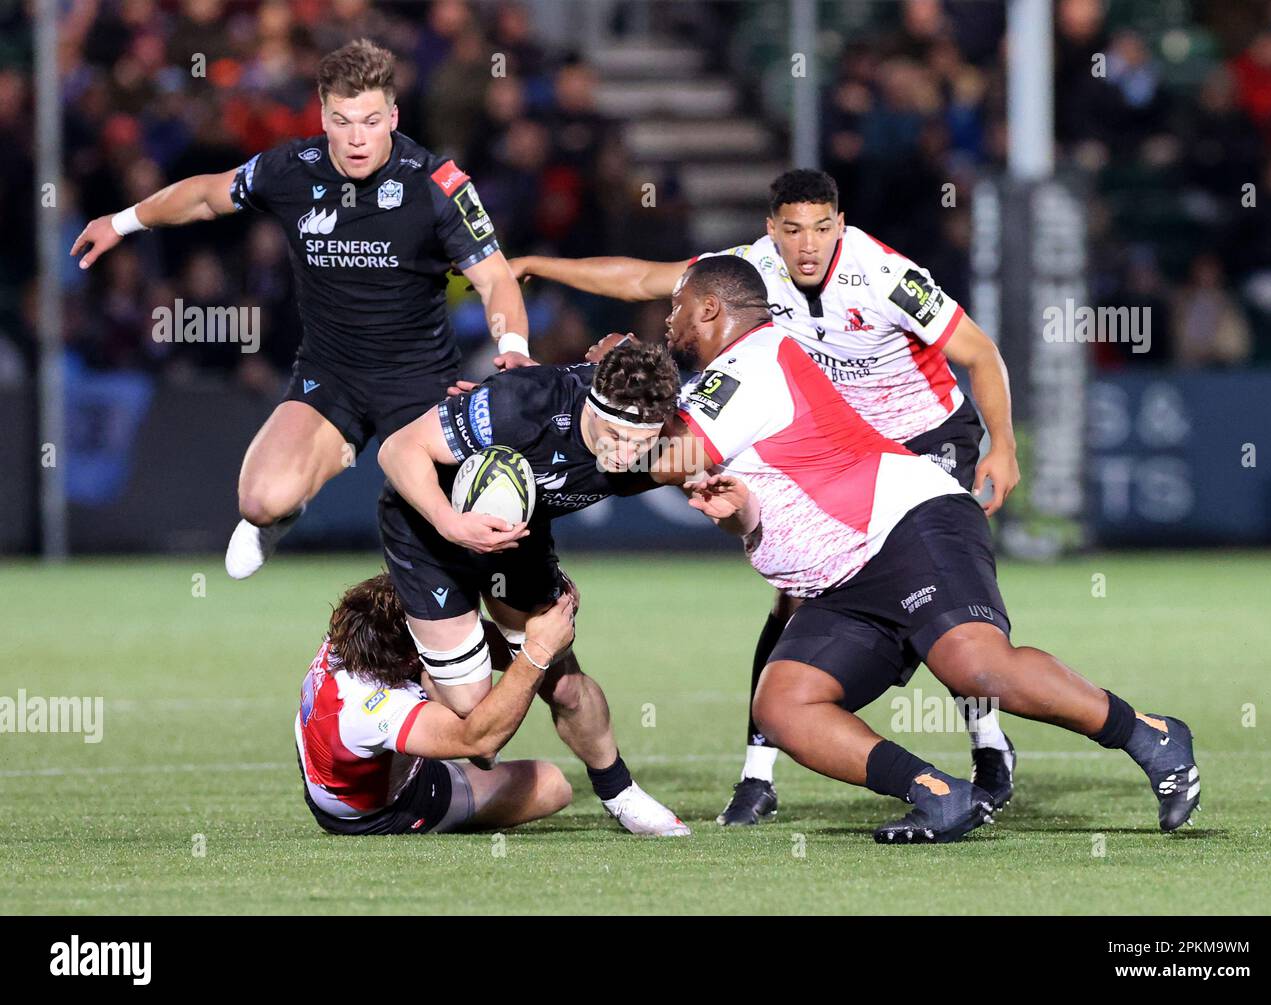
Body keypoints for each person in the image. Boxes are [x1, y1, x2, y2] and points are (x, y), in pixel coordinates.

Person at [512, 169, 1019, 826]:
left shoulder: (886, 273)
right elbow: (642, 278)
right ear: (770, 230)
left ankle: (987, 746)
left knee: (946, 605)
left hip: (924, 431)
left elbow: (979, 352)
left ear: (840, 223)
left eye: (821, 227)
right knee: (793, 597)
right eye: (791, 229)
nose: (807, 245)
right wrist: (537, 264)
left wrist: (1003, 444)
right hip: (838, 441)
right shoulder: (747, 271)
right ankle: (759, 775)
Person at [648, 255, 1200, 842]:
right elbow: (749, 498)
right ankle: (939, 796)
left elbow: (667, 460)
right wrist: (739, 513)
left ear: (709, 308)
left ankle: (1149, 733)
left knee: (979, 667)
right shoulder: (732, 377)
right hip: (843, 577)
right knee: (784, 705)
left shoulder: (749, 362)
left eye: (676, 305)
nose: (667, 320)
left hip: (906, 524)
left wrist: (610, 400)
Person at [70, 38, 530, 580]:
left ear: (394, 116)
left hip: (420, 385)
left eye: (371, 121)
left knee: (465, 544)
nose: (357, 138)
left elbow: (496, 277)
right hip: (329, 375)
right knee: (260, 501)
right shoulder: (292, 168)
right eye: (342, 121)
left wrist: (514, 349)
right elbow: (204, 196)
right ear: (323, 115)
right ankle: (286, 510)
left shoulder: (437, 185)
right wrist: (121, 222)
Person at [375, 342, 693, 836]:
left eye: (641, 441)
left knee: (563, 682)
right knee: (476, 726)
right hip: (430, 534)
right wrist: (449, 523)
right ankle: (423, 662)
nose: (626, 453)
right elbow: (396, 448)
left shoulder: (667, 430)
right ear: (592, 402)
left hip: (519, 536)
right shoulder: (520, 405)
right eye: (614, 434)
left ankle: (620, 793)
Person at [296, 572, 575, 835]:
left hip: (334, 766)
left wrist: (523, 638)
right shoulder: (375, 707)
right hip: (374, 809)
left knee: (447, 681)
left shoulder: (354, 634)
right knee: (550, 784)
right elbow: (480, 742)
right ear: (409, 659)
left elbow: (452, 642)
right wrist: (539, 649)